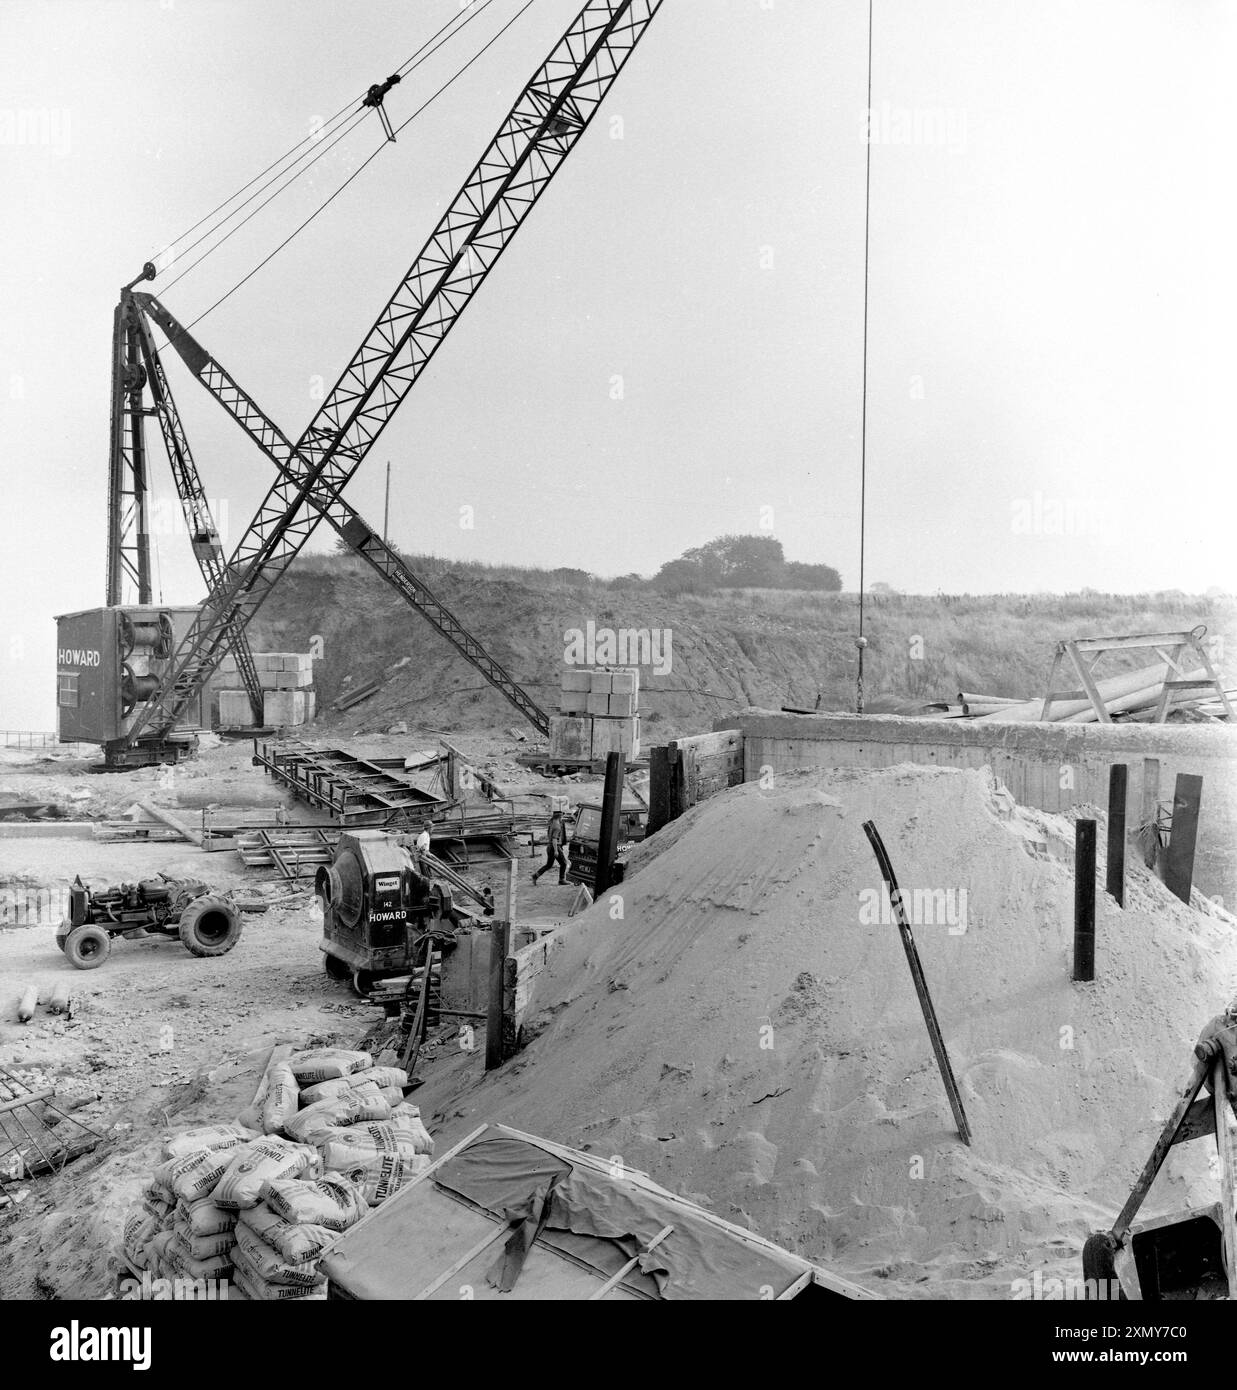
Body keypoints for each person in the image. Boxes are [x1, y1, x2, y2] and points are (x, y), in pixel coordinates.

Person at [532, 809, 569, 885]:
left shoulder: (552, 823)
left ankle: (535, 876)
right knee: (564, 863)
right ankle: (561, 880)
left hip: (549, 847)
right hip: (554, 847)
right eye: (562, 815)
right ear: (560, 816)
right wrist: (556, 850)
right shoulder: (557, 826)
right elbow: (554, 839)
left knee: (549, 865)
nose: (562, 817)